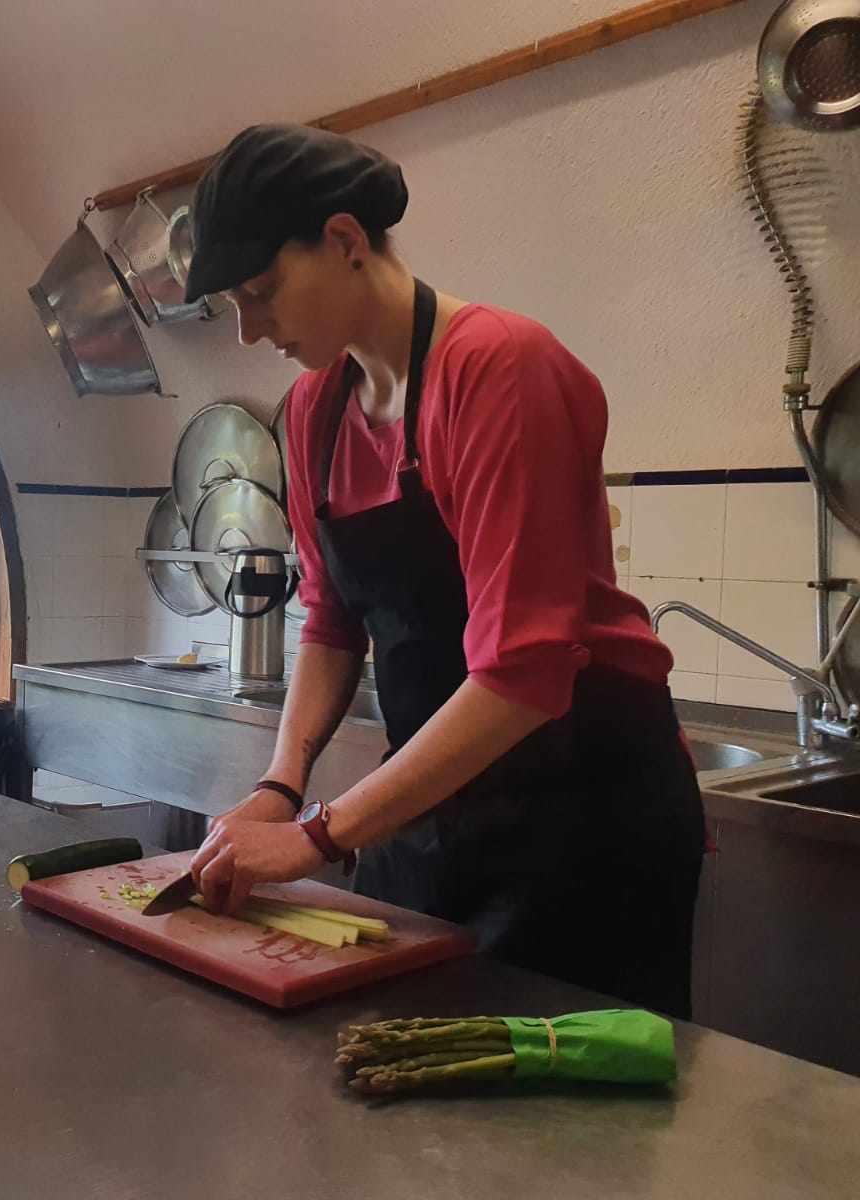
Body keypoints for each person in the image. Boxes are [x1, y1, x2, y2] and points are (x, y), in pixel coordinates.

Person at [178, 124, 704, 1017]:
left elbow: (522, 672)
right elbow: (331, 623)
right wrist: (281, 786)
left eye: (261, 292)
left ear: (345, 241)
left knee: (560, 1091)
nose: (250, 329)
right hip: (435, 805)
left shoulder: (500, 368)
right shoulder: (310, 414)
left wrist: (317, 837)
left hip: (584, 812)